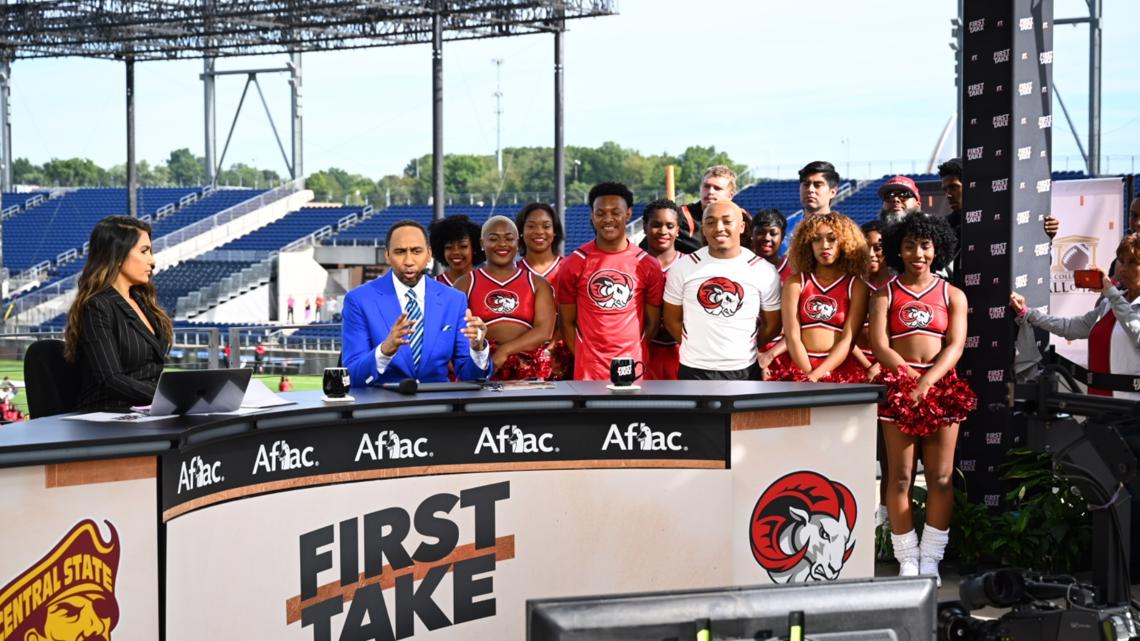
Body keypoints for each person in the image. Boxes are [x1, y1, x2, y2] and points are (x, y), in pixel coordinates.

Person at [869, 212, 974, 585]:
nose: (918, 253)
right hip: (899, 389)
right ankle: (906, 556)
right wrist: (909, 379)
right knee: (898, 478)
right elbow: (880, 344)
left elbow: (956, 345)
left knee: (941, 477)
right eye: (910, 245)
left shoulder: (953, 294)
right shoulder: (885, 293)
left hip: (941, 388)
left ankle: (931, 557)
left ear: (937, 249)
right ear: (899, 249)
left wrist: (927, 381)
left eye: (925, 245)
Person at [341, 220, 492, 385]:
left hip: (437, 407)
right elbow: (352, 377)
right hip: (383, 406)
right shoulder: (359, 300)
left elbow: (470, 376)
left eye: (416, 251)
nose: (408, 261)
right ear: (387, 255)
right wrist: (384, 351)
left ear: (429, 254)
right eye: (400, 252)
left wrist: (478, 350)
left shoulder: (454, 300)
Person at [1012, 234, 1140, 400]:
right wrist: (1028, 313)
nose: (1123, 268)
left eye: (1133, 263)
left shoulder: (1114, 299)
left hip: (1131, 412)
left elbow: (1137, 333)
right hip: (1099, 406)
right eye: (1121, 261)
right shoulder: (1111, 303)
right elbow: (1071, 328)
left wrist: (1111, 293)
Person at [558, 182, 665, 381]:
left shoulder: (647, 264)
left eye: (616, 212)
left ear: (628, 214)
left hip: (634, 366)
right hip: (589, 372)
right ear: (591, 216)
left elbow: (651, 324)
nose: (608, 219)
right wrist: (586, 357)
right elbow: (566, 322)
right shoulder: (574, 263)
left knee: (633, 413)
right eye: (600, 213)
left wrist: (632, 351)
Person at [64, 216, 173, 411]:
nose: (152, 261)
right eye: (144, 251)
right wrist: (169, 396)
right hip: (108, 416)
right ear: (118, 255)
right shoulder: (97, 306)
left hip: (147, 412)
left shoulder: (144, 303)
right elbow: (111, 379)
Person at [663, 201, 782, 380]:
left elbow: (772, 324)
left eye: (727, 221)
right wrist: (696, 345)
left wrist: (743, 347)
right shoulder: (683, 267)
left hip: (744, 369)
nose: (719, 228)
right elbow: (672, 320)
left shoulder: (763, 270)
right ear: (703, 228)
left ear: (742, 226)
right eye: (710, 222)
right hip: (694, 370)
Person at [768, 212, 869, 383]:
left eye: (832, 239)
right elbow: (792, 336)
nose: (824, 246)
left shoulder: (856, 285)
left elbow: (848, 340)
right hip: (800, 369)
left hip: (839, 370)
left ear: (845, 243)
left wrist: (817, 374)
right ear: (807, 244)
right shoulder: (795, 283)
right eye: (816, 239)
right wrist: (807, 374)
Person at [456, 216, 556, 380]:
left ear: (517, 242)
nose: (502, 244)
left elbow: (544, 331)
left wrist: (505, 350)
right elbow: (454, 330)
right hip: (482, 370)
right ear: (482, 244)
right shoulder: (465, 283)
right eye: (493, 239)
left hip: (528, 373)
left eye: (509, 238)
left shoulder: (537, 283)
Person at [516, 202, 573, 379]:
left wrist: (552, 350)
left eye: (546, 226)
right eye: (531, 226)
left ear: (555, 231)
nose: (539, 232)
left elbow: (574, 318)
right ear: (521, 232)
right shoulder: (512, 272)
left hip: (563, 358)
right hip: (519, 360)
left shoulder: (570, 267)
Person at [640, 199, 686, 380]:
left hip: (681, 351)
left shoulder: (690, 265)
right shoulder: (632, 264)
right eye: (656, 225)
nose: (663, 231)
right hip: (643, 350)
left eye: (670, 225)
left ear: (678, 230)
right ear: (644, 227)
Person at [853, 220, 894, 380]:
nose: (870, 254)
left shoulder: (899, 286)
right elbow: (843, 333)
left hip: (892, 365)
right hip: (855, 365)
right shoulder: (852, 285)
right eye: (866, 247)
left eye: (878, 248)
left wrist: (879, 365)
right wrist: (867, 366)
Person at [678, 165, 742, 253]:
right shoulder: (681, 215)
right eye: (706, 186)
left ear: (731, 195)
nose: (710, 192)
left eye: (717, 188)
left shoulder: (741, 216)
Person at [429, 214, 485, 286]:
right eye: (449, 247)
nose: (455, 252)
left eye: (463, 246)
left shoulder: (487, 284)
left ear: (474, 248)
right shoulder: (431, 286)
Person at [750, 208, 791, 281]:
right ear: (752, 234)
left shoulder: (793, 270)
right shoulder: (741, 267)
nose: (767, 238)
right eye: (760, 232)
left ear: (782, 237)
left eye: (773, 234)